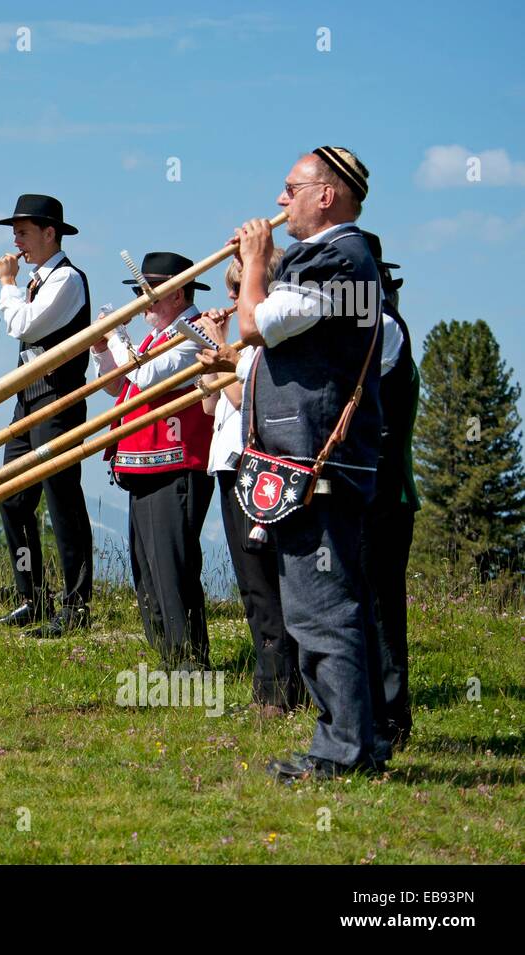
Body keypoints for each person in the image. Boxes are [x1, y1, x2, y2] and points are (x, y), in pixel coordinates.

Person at [208, 146, 388, 780]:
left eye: (291, 188)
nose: (280, 200)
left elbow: (256, 325)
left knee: (319, 608)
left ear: (326, 196)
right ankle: (362, 740)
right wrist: (253, 266)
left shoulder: (340, 261)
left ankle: (342, 751)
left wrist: (254, 263)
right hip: (311, 457)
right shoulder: (330, 257)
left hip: (316, 461)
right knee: (337, 601)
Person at [93, 252, 215, 669]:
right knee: (147, 572)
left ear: (178, 293)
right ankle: (168, 656)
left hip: (176, 466)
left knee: (173, 570)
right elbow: (116, 388)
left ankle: (191, 663)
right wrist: (100, 348)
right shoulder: (152, 338)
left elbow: (145, 379)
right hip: (142, 466)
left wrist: (115, 337)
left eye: (150, 295)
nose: (143, 305)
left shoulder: (194, 332)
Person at [200, 251, 306, 715]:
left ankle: (281, 690)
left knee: (266, 582)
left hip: (258, 464)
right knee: (249, 583)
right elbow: (211, 408)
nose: (228, 298)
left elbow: (247, 399)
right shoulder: (243, 346)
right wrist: (210, 360)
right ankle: (271, 684)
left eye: (237, 289)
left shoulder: (269, 340)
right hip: (227, 461)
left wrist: (224, 350)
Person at [0, 194, 95, 637]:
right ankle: (32, 596)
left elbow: (24, 326)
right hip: (26, 400)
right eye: (15, 234)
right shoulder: (35, 280)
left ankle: (76, 605)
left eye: (24, 233)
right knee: (12, 497)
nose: (17, 242)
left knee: (61, 499)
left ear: (50, 233)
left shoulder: (67, 280)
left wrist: (7, 285)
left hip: (58, 397)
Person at [360, 231, 420, 751]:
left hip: (383, 490)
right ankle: (366, 715)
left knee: (380, 607)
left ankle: (391, 721)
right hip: (362, 487)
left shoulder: (382, 326)